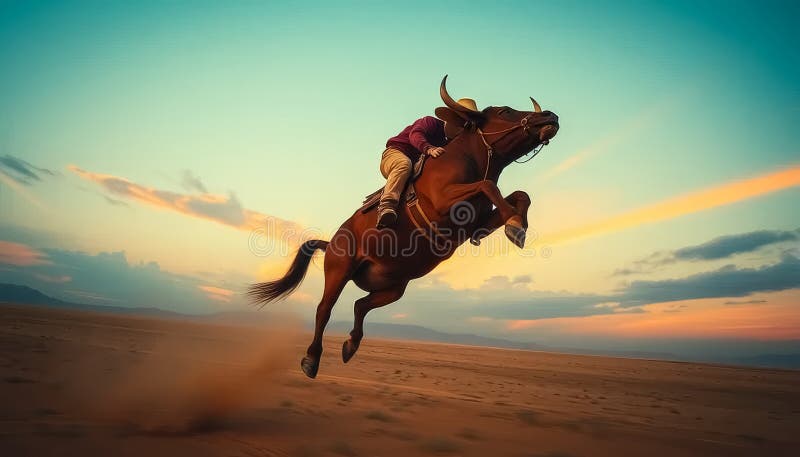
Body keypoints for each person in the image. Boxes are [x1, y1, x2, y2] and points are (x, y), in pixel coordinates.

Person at [377, 98, 479, 228]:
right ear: (449, 118)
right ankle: (387, 205)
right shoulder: (430, 122)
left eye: (466, 125)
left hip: (416, 166)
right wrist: (428, 148)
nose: (461, 127)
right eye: (459, 121)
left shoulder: (450, 145)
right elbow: (415, 134)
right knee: (403, 164)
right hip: (394, 154)